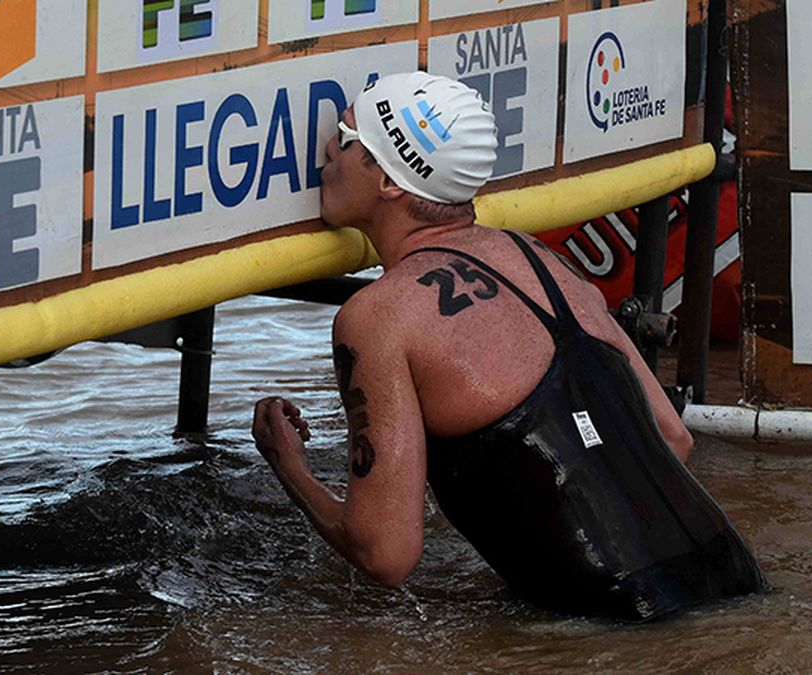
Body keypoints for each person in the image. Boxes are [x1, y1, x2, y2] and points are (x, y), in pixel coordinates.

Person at [252, 72, 765, 620]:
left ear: (389, 181)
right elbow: (673, 437)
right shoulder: (540, 259)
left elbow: (385, 554)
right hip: (734, 576)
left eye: (345, 139)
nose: (328, 150)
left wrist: (289, 464)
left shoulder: (380, 315)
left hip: (626, 621)